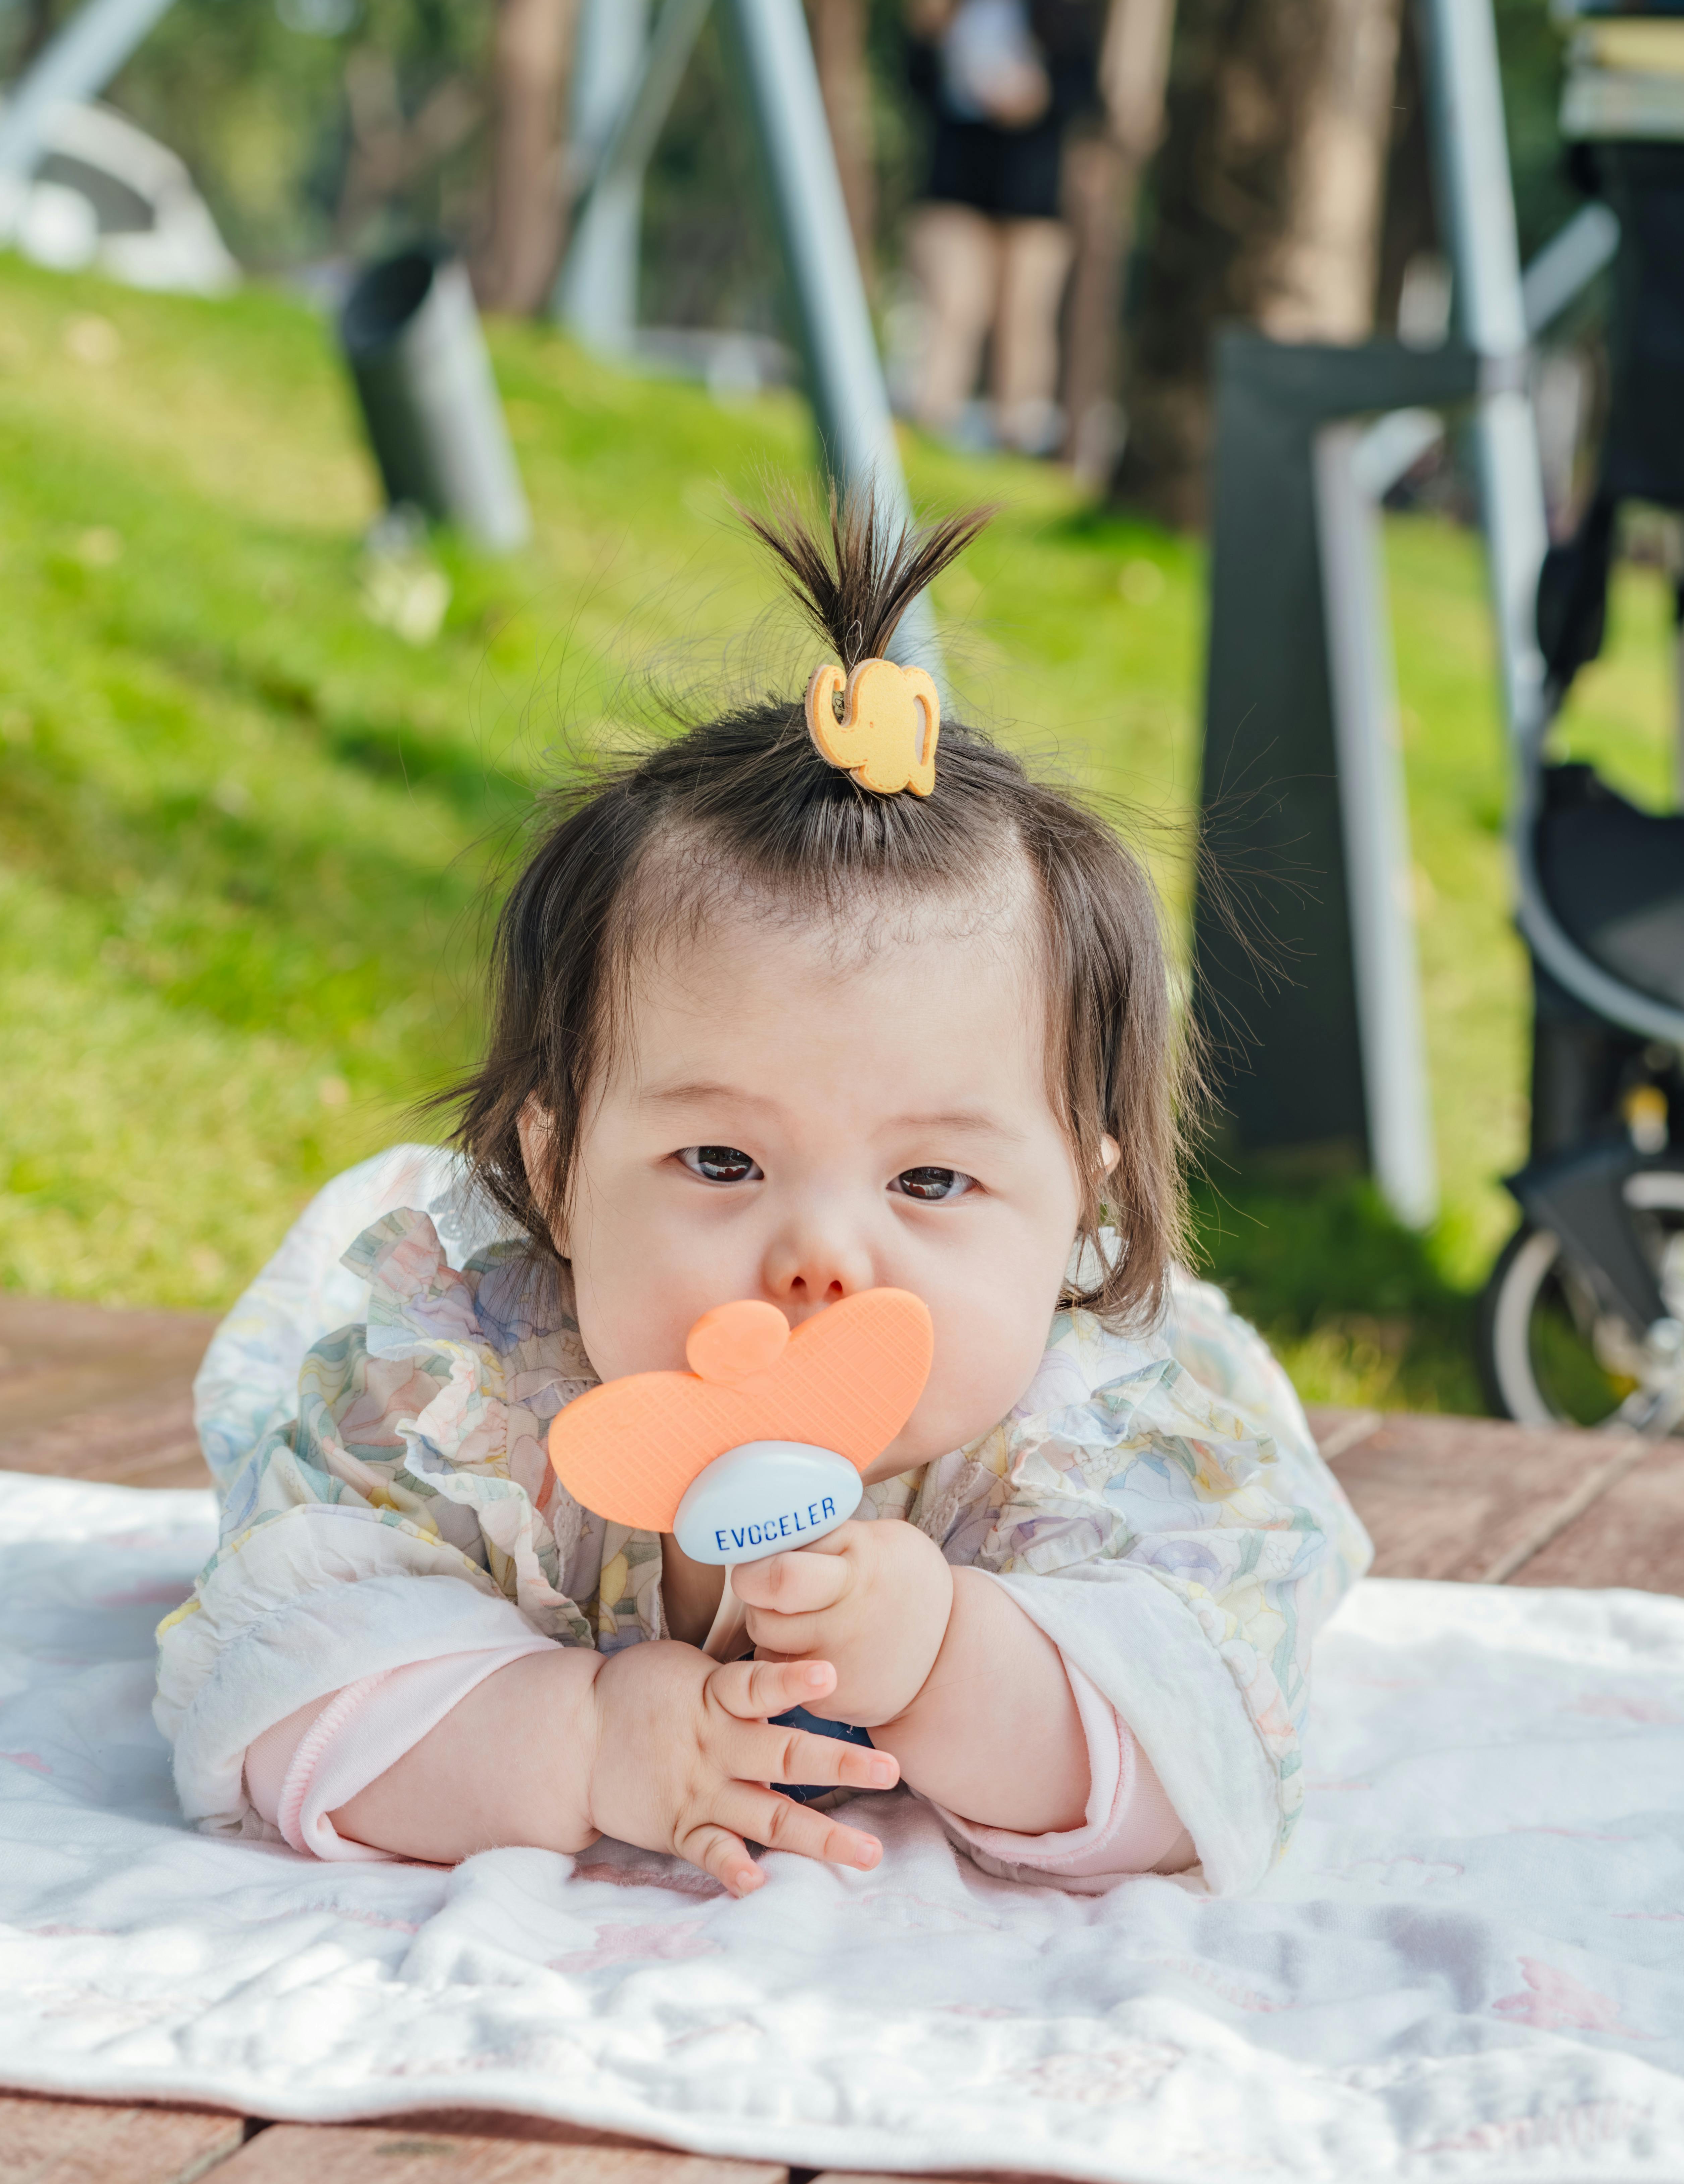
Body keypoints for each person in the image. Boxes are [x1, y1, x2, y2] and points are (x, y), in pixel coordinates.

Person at [155, 501, 1369, 1900]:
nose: (821, 1258)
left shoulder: (1090, 1449)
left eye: (932, 1180)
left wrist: (949, 1660)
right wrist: (583, 1739)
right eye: (723, 1162)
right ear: (555, 1175)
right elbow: (273, 1690)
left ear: (1069, 1215)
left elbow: (1203, 1744)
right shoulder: (463, 1398)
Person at [904, 0, 1097, 453]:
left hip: (1029, 190)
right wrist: (926, 37)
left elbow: (1084, 95)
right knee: (953, 305)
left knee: (1023, 319)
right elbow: (916, 87)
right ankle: (930, 422)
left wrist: (1038, 98)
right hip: (955, 182)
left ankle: (1019, 437)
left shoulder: (1057, 9)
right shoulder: (948, 3)